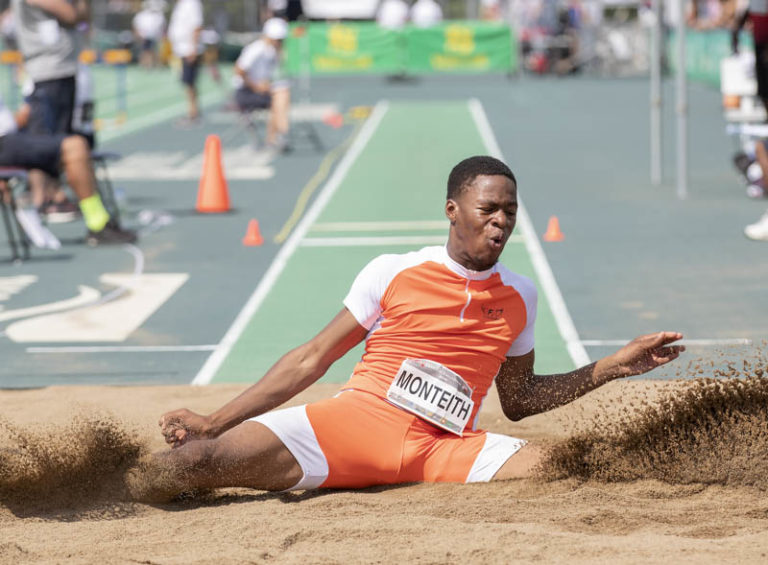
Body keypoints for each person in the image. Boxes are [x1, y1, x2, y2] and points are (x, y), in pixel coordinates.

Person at [134, 156, 684, 501]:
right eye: (487, 208)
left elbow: (518, 400)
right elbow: (312, 359)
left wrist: (610, 368)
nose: (500, 222)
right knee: (197, 463)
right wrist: (213, 421)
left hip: (446, 451)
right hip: (349, 428)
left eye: (509, 212)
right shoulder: (393, 271)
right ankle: (98, 485)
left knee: (574, 469)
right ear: (452, 209)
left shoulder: (521, 296)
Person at [0, 94, 136, 245]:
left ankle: (91, 217)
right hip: (5, 143)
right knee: (74, 146)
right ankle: (97, 223)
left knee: (76, 144)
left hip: (12, 138)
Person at [10, 0, 87, 135]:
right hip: (49, 71)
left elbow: (82, 15)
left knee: (62, 137)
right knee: (48, 141)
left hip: (59, 69)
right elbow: (71, 14)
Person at [233, 17, 290, 150]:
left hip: (258, 90)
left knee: (281, 93)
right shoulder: (256, 49)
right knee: (280, 96)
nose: (280, 42)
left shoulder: (271, 51)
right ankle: (279, 133)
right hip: (245, 92)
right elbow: (238, 70)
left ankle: (275, 136)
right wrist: (256, 86)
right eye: (278, 39)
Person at [167, 0, 203, 125]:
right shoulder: (180, 4)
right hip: (181, 49)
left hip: (188, 49)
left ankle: (193, 113)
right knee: (187, 82)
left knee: (190, 82)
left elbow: (196, 26)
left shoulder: (192, 3)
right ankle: (192, 111)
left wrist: (193, 48)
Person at [732, 0, 768, 115]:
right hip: (760, 46)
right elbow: (741, 20)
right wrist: (735, 39)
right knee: (763, 88)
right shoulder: (755, 5)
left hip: (764, 46)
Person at [133, 0, 166, 69]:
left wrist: (162, 36)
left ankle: (153, 64)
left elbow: (162, 27)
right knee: (145, 51)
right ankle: (145, 65)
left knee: (154, 51)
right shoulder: (142, 15)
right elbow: (136, 26)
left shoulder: (159, 15)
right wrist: (138, 35)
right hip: (145, 36)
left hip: (155, 36)